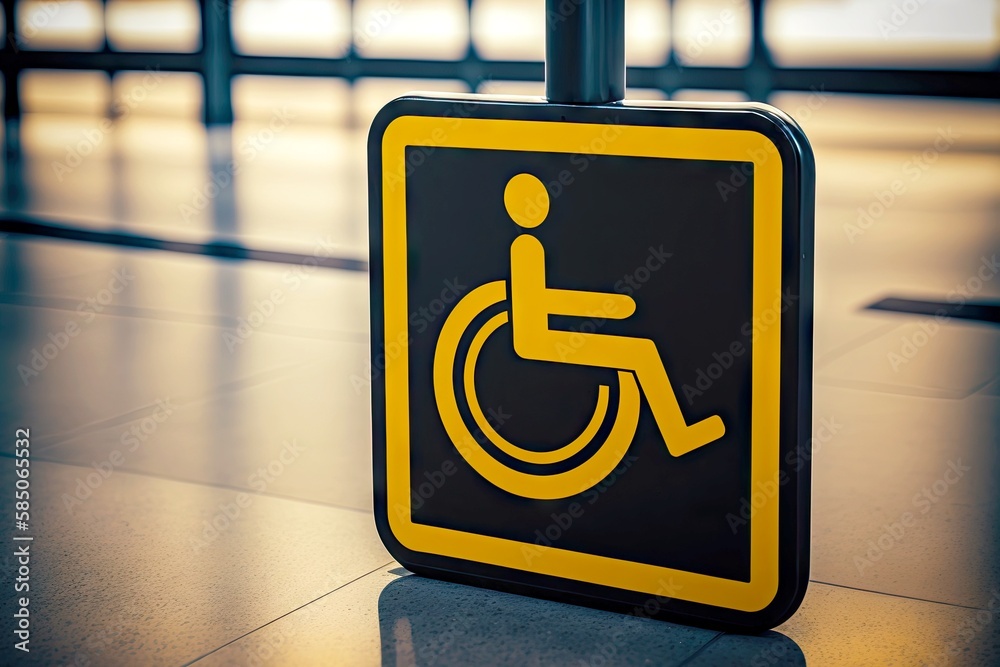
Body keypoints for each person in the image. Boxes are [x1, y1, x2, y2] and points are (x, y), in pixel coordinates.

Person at [504, 173, 725, 456]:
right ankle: (678, 435)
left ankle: (678, 432)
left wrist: (609, 306)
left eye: (541, 196)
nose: (542, 202)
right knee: (640, 352)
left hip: (543, 334)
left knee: (641, 350)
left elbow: (544, 300)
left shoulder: (533, 243)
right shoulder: (526, 247)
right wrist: (606, 305)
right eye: (533, 197)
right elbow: (535, 303)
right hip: (537, 341)